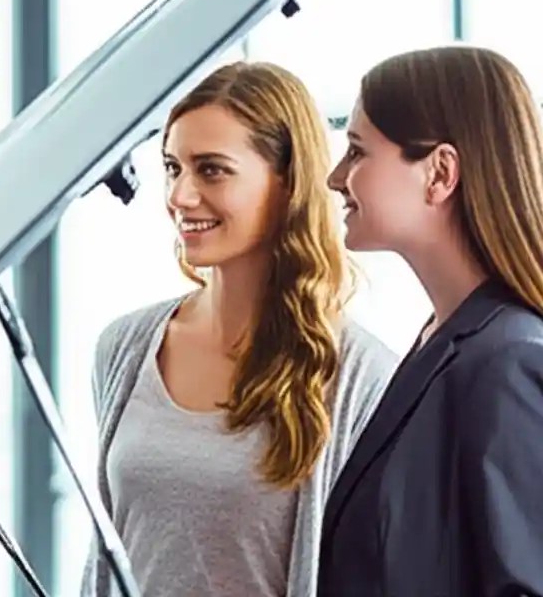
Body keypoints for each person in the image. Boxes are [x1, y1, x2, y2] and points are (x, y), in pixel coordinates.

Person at [81, 61, 399, 597]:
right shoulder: (124, 348)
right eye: (173, 168)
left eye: (211, 170)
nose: (179, 196)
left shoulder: (361, 375)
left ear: (288, 182)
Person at [318, 45, 543, 596]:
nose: (335, 177)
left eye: (357, 151)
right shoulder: (444, 343)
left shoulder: (507, 362)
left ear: (440, 173)